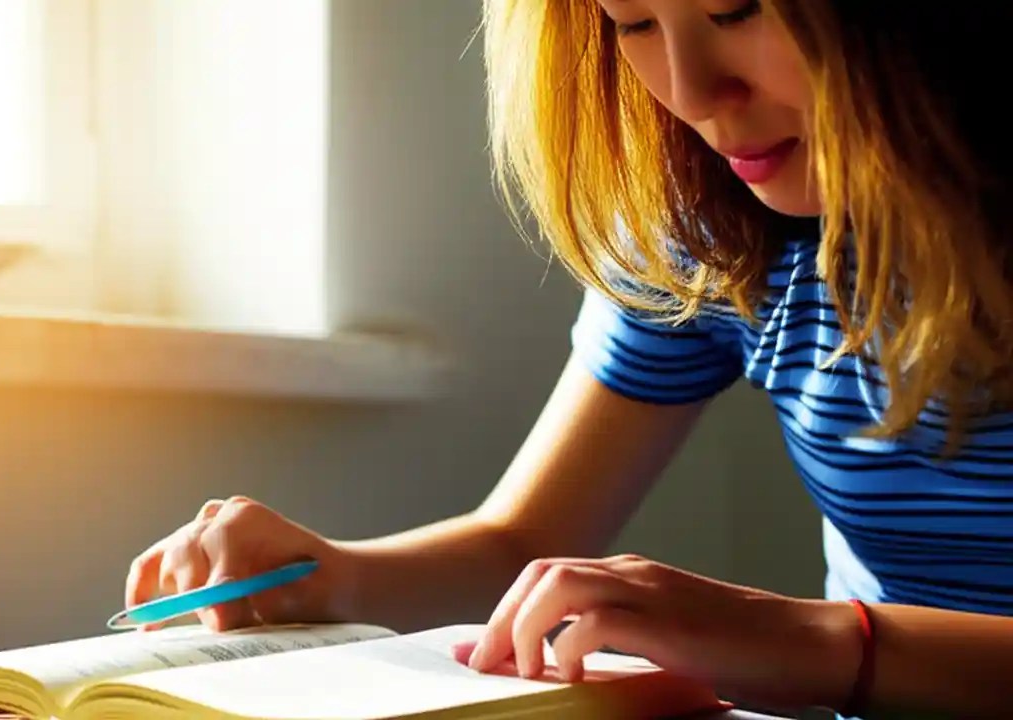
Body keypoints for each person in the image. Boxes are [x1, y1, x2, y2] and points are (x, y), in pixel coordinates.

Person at [124, 1, 1013, 716]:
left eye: (736, 12)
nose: (692, 92)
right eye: (633, 24)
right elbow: (523, 540)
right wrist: (335, 574)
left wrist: (815, 643)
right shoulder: (710, 234)